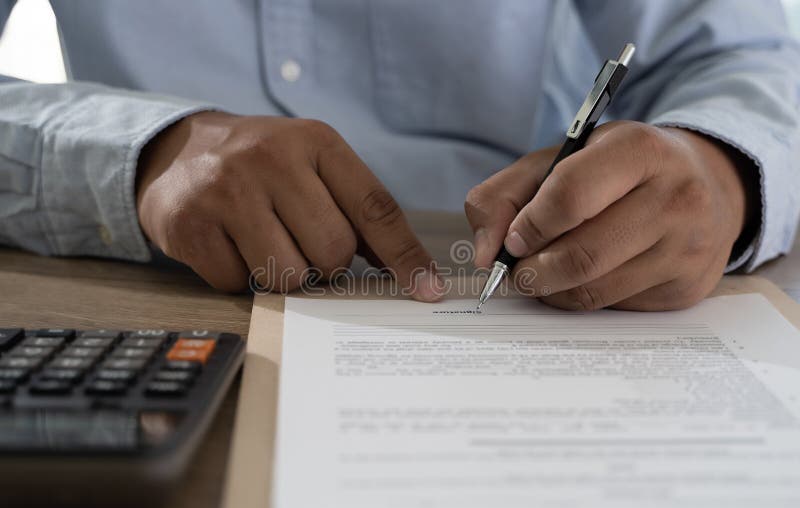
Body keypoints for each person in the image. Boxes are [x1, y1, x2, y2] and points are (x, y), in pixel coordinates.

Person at [1, 0, 798, 310]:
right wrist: (139, 156)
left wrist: (723, 165)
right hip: (127, 286)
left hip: (545, 299)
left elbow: (750, 53)